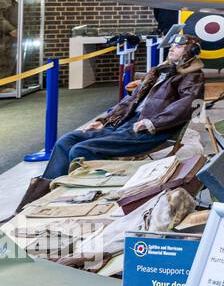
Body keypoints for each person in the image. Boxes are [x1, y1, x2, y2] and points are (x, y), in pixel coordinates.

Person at [39, 32, 205, 181]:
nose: (172, 48)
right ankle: (43, 192)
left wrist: (153, 123)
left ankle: (80, 193)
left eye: (179, 46)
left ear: (191, 52)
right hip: (126, 124)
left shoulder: (192, 76)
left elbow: (188, 104)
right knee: (66, 141)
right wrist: (105, 120)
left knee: (80, 150)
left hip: (147, 131)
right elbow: (131, 99)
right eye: (172, 45)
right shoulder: (160, 71)